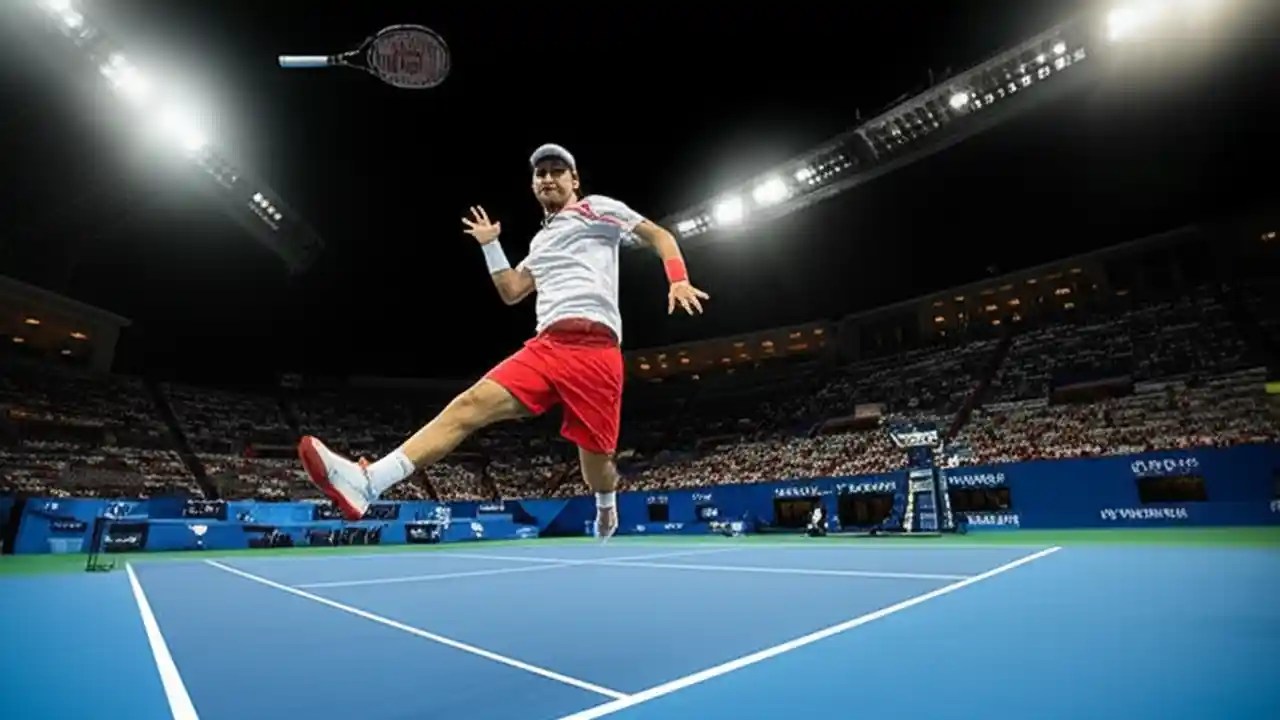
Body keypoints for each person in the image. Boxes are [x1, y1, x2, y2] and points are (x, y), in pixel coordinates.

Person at [297, 143, 709, 538]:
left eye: (556, 171)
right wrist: (491, 245)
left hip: (597, 352)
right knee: (468, 405)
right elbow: (512, 290)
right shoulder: (540, 242)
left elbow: (660, 236)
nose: (547, 178)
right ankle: (369, 483)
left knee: (596, 468)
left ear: (574, 179)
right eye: (540, 173)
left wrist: (678, 280)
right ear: (534, 185)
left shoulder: (598, 208)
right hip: (547, 347)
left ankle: (606, 504)